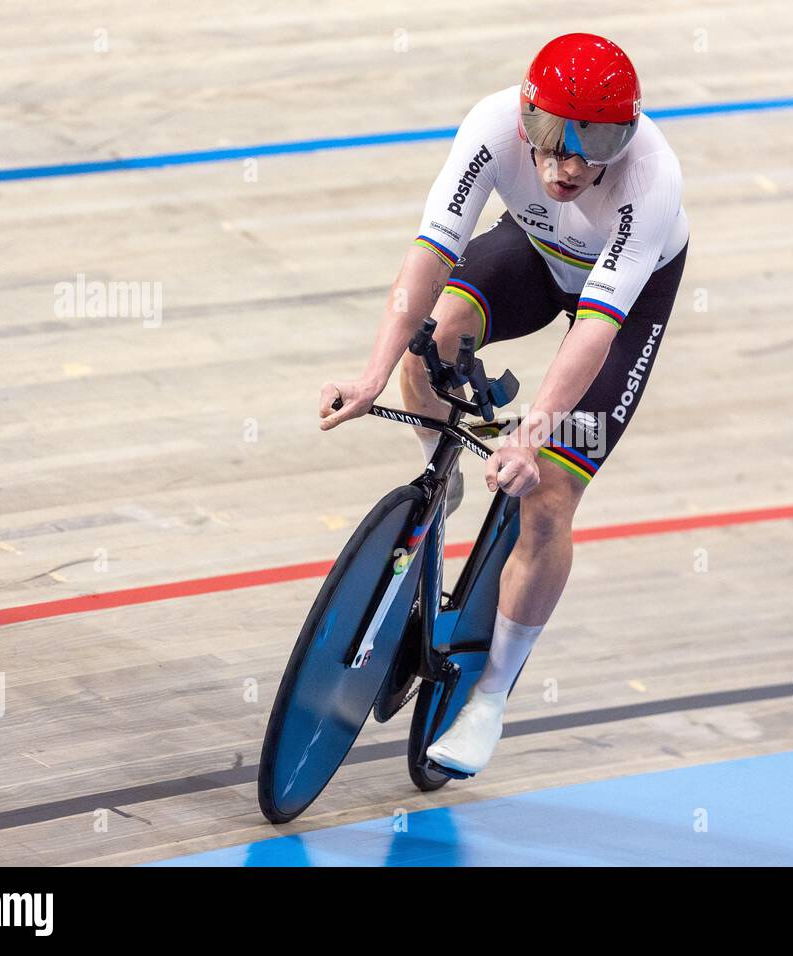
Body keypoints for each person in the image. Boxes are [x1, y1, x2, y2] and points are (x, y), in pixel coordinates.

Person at [318, 33, 688, 775]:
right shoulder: (489, 125)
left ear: (627, 134)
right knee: (433, 344)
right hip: (534, 252)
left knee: (548, 492)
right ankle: (440, 477)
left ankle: (490, 695)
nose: (569, 166)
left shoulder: (651, 179)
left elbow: (592, 334)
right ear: (525, 119)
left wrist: (530, 437)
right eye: (552, 142)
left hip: (623, 304)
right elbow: (429, 254)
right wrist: (370, 373)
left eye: (595, 146)